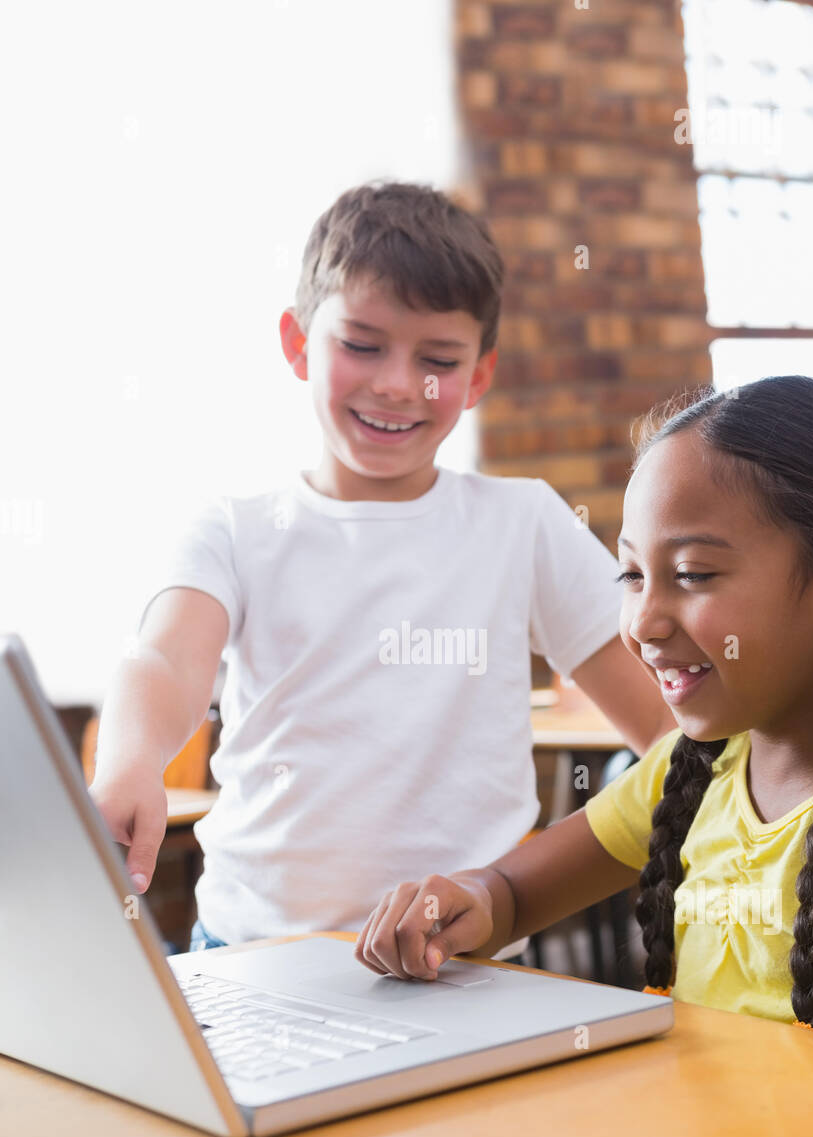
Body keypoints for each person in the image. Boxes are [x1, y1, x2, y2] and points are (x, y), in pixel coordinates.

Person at [357, 375, 813, 1137]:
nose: (643, 622)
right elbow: (513, 893)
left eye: (696, 575)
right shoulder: (690, 768)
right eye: (632, 572)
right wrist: (463, 900)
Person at [87, 180, 673, 959]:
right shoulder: (237, 529)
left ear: (479, 377)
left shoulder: (523, 522)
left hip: (465, 969)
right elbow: (162, 659)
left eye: (438, 358)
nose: (399, 382)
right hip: (253, 955)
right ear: (297, 343)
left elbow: (666, 725)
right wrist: (131, 759)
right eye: (362, 344)